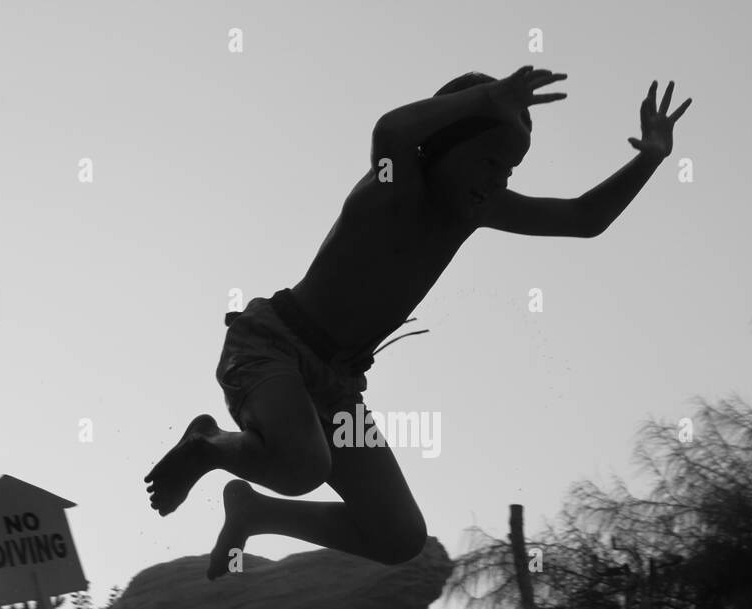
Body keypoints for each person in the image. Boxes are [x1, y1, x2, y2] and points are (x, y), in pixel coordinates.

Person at [144, 66, 691, 579]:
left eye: (508, 169)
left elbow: (583, 218)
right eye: (487, 161)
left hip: (335, 386)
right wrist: (485, 97)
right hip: (272, 348)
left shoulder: (477, 208)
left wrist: (651, 157)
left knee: (397, 535)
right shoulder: (394, 184)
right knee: (302, 466)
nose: (496, 179)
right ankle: (211, 446)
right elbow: (391, 129)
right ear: (442, 146)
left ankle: (254, 513)